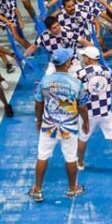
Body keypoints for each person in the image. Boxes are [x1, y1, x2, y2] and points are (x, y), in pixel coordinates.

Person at [29, 48, 90, 202]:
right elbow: (82, 107)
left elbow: (38, 103)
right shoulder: (76, 83)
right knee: (70, 157)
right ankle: (72, 189)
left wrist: (38, 120)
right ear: (67, 63)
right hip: (69, 128)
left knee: (42, 156)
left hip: (48, 126)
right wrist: (86, 122)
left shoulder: (45, 81)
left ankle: (37, 190)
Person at [75, 46, 112, 172]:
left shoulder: (80, 73)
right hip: (105, 111)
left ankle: (80, 163)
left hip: (88, 113)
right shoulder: (107, 70)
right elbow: (110, 87)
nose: (83, 58)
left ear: (89, 59)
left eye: (84, 56)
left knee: (83, 138)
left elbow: (76, 92)